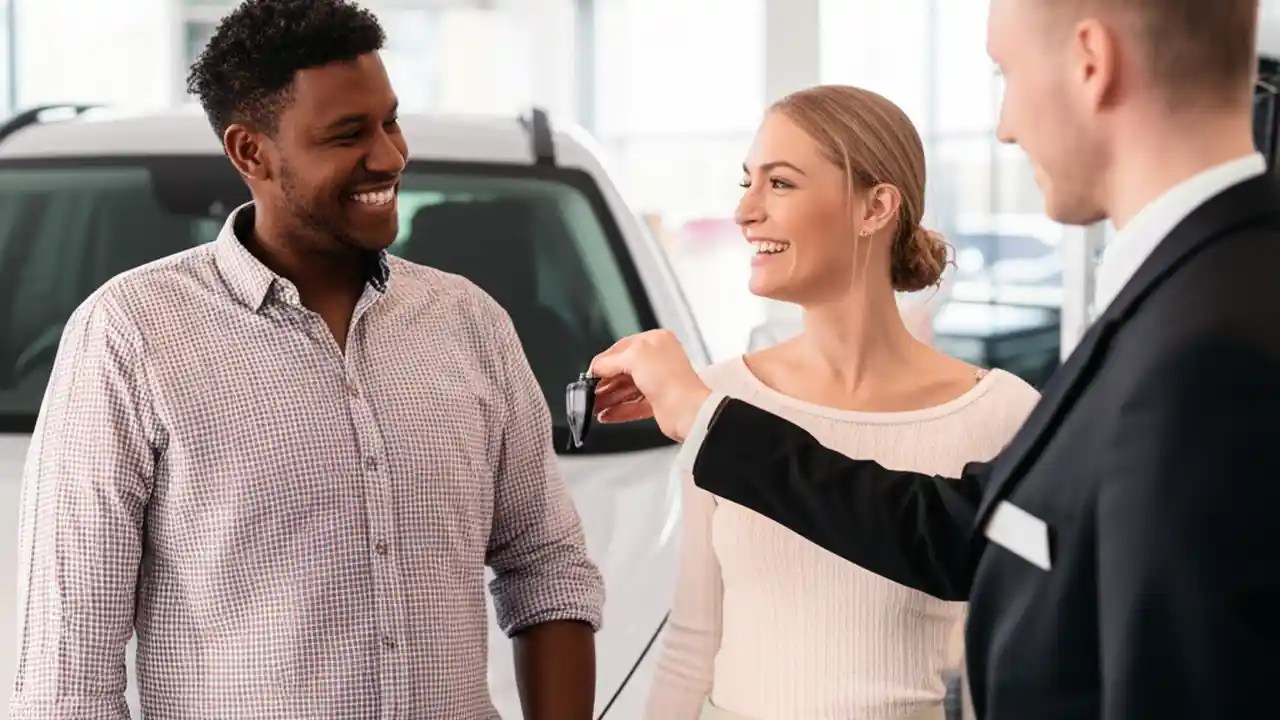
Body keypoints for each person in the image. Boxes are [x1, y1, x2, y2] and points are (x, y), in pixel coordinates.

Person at [590, 0, 1280, 718]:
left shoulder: (1219, 334)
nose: (1006, 127)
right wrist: (710, 419)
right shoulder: (1191, 295)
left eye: (1006, 74)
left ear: (1090, 62)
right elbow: (960, 534)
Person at [10, 1, 603, 718]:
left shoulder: (470, 324)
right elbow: (70, 671)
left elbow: (546, 569)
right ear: (250, 152)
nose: (388, 155)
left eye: (389, 120)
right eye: (348, 134)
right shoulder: (128, 338)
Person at [642, 85, 1039, 720]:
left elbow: (1006, 659)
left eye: (780, 184)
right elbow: (693, 643)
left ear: (875, 207)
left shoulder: (999, 412)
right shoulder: (717, 397)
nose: (744, 211)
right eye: (748, 181)